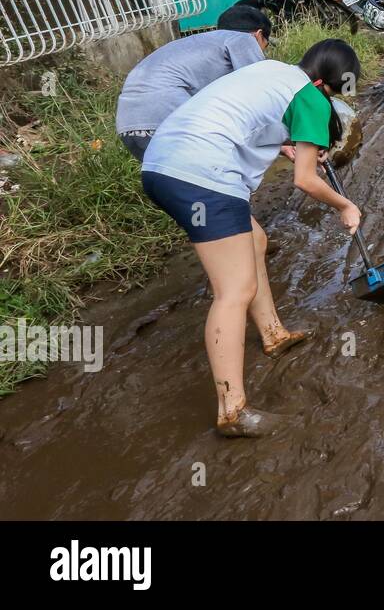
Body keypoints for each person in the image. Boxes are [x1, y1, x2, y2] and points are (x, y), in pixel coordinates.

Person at [140, 39, 363, 437]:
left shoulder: (272, 72)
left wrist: (285, 146)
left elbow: (241, 119)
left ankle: (273, 334)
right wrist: (345, 206)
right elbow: (306, 180)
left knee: (255, 240)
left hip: (162, 165)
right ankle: (233, 410)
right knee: (233, 290)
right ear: (327, 83)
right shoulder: (311, 98)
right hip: (203, 175)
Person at [116, 4, 275, 161]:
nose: (261, 52)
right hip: (167, 118)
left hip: (128, 127)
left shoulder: (196, 44)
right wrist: (278, 138)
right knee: (223, 168)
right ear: (258, 35)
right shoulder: (243, 39)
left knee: (182, 180)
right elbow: (259, 90)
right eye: (264, 47)